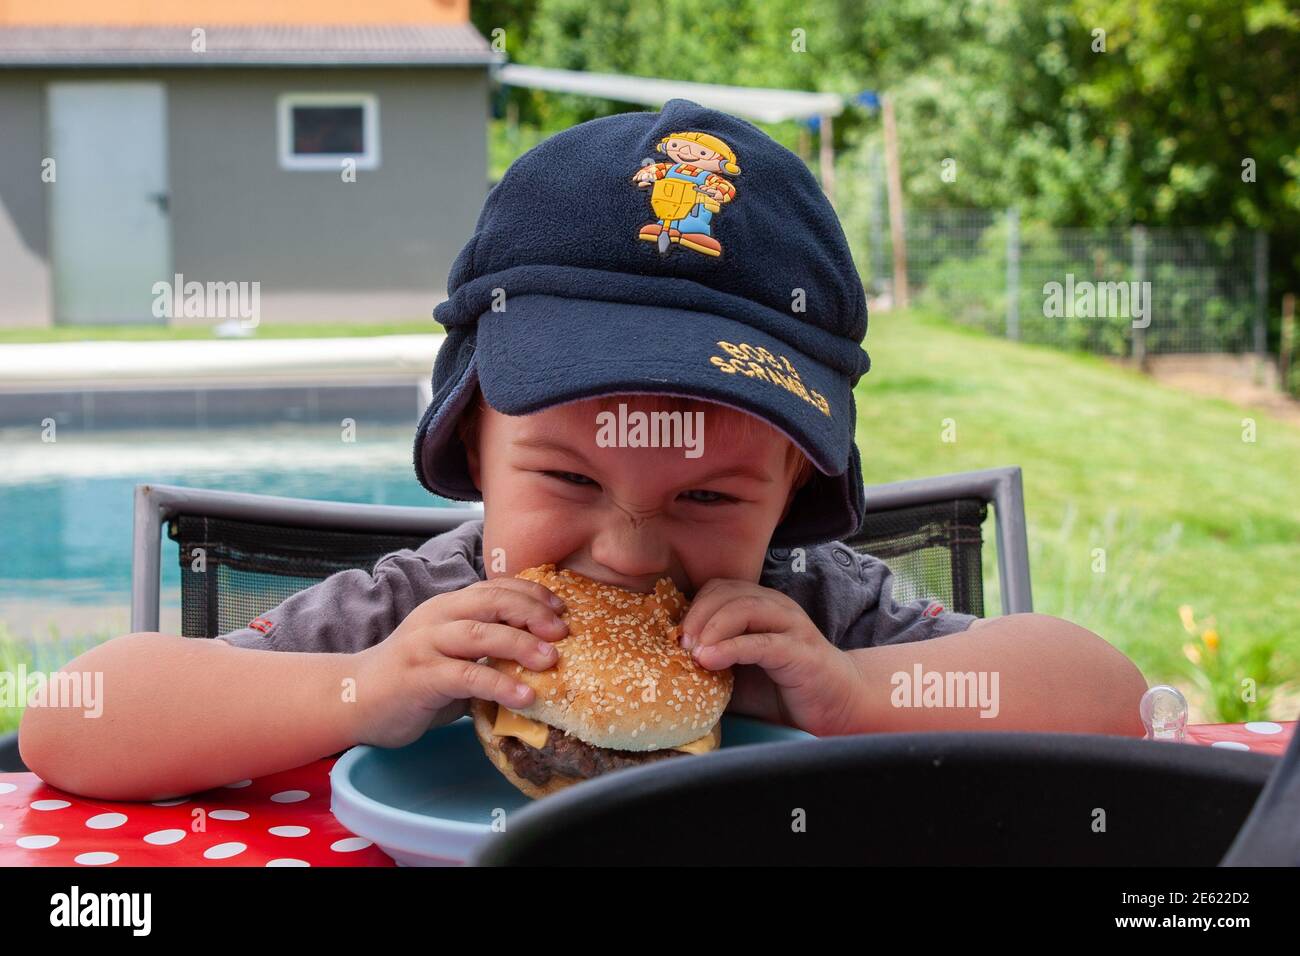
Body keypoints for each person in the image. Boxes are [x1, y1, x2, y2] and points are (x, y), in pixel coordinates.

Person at [19, 99, 1147, 801]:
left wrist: (852, 693)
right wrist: (359, 686)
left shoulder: (811, 618)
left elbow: (1109, 700)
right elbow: (77, 722)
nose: (628, 545)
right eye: (566, 476)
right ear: (471, 434)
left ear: (795, 480)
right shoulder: (429, 617)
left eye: (708, 492)